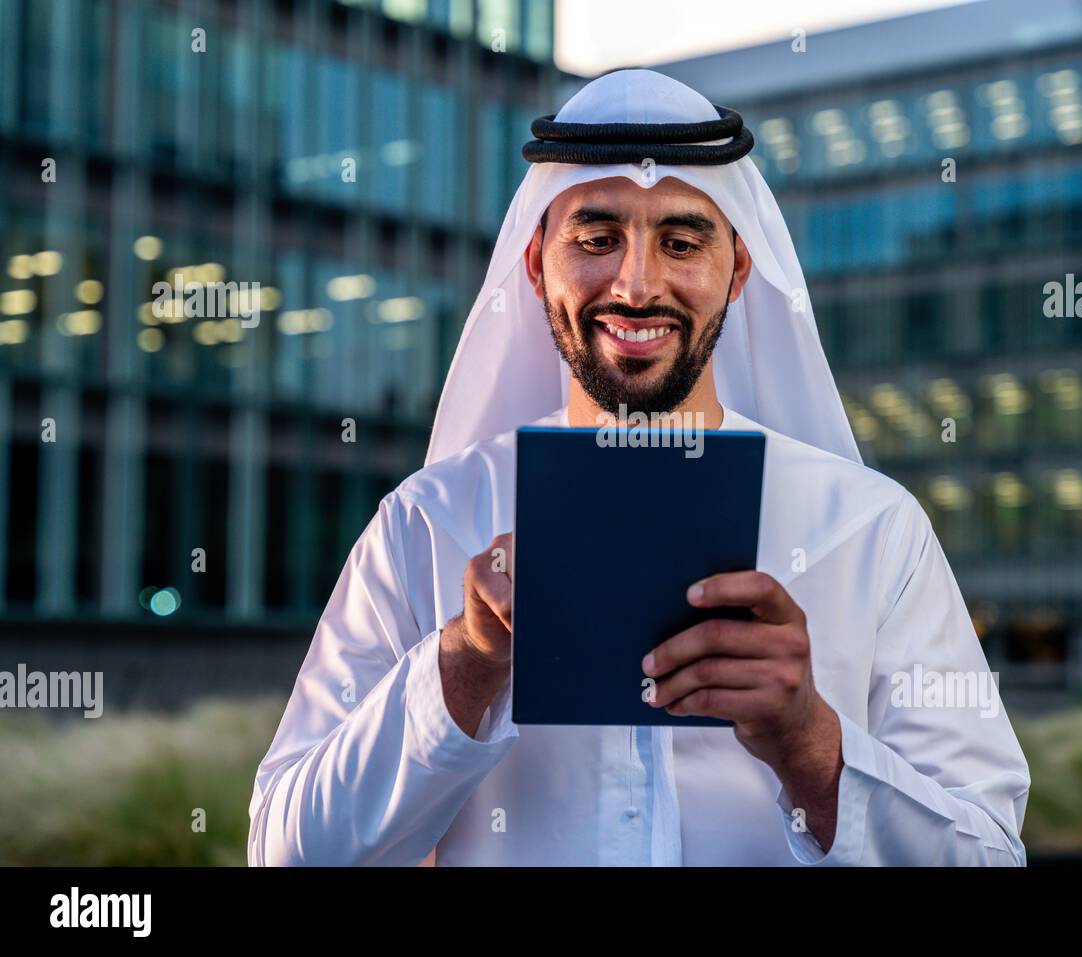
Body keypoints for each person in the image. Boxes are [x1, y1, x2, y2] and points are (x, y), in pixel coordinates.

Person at [247, 69, 1031, 866]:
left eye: (682, 242)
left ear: (737, 272)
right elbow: (284, 851)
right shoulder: (429, 521)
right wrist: (465, 664)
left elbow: (993, 855)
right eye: (596, 239)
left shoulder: (872, 531)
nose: (637, 284)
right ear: (535, 265)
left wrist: (809, 742)